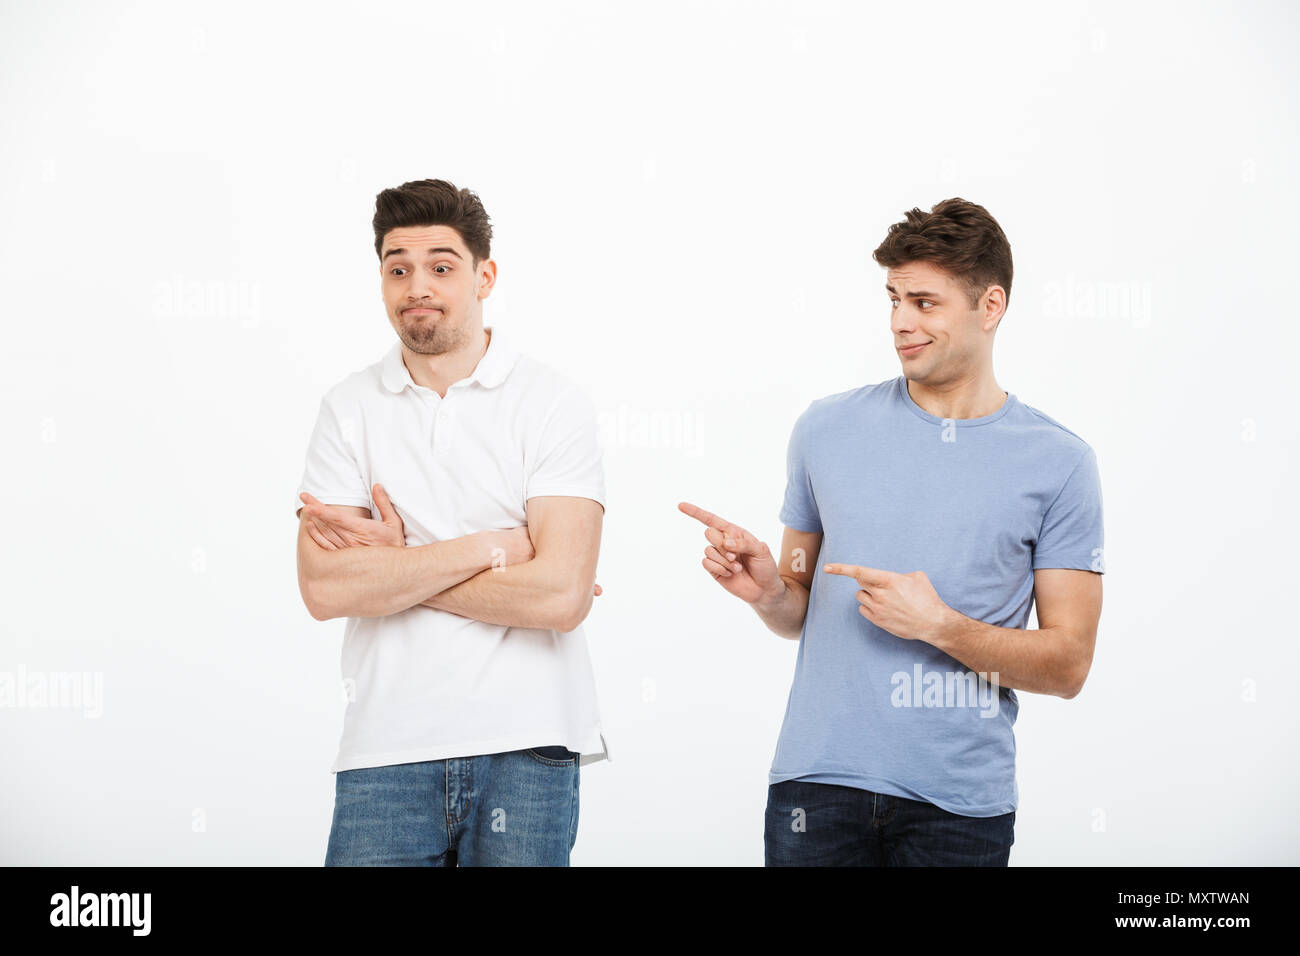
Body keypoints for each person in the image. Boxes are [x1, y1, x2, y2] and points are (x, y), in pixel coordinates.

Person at [680, 198, 1104, 866]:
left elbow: (1069, 665)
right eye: (893, 299)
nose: (900, 322)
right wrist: (769, 591)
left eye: (925, 303)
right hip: (815, 789)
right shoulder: (824, 429)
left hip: (958, 808)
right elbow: (796, 603)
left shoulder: (1060, 463)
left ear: (990, 308)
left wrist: (942, 626)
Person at [294, 178, 609, 866]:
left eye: (441, 266)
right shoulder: (348, 408)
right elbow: (323, 589)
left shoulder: (553, 403)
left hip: (528, 744)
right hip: (385, 748)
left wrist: (395, 567)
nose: (417, 286)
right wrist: (490, 549)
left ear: (484, 276)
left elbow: (560, 597)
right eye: (397, 268)